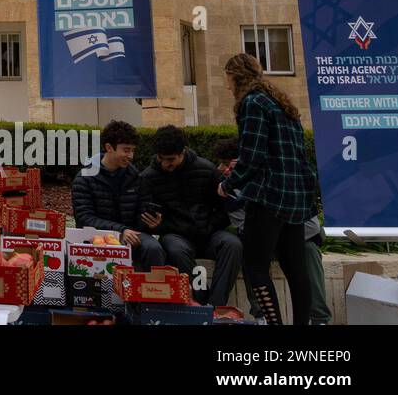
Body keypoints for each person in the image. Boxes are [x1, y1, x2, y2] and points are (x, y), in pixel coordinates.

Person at [217, 52, 317, 325]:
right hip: (295, 196)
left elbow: (252, 156)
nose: (226, 85)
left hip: (269, 196)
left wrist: (227, 185)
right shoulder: (281, 102)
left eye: (227, 78)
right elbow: (298, 153)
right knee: (296, 270)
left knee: (255, 267)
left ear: (234, 77)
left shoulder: (252, 103)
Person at [215, 136, 331, 324]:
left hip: (293, 240)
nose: (225, 170)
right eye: (223, 165)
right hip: (263, 241)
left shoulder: (284, 179)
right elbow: (242, 225)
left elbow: (311, 226)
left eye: (231, 165)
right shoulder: (229, 188)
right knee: (251, 254)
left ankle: (319, 318)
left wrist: (276, 231)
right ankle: (262, 316)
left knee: (309, 251)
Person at [138, 125, 242, 306]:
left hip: (209, 234)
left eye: (170, 159)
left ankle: (217, 306)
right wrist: (156, 225)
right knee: (175, 249)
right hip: (175, 236)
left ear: (183, 152)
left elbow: (225, 209)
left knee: (232, 245)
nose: (165, 164)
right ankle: (202, 304)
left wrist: (209, 226)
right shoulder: (148, 177)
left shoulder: (207, 169)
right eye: (161, 159)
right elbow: (145, 216)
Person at [71, 120, 165, 269]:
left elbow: (139, 219)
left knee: (153, 248)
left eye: (133, 150)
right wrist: (120, 231)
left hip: (131, 236)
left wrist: (151, 224)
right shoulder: (84, 179)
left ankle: (154, 290)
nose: (131, 155)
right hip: (96, 236)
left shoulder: (136, 178)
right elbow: (84, 219)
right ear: (109, 147)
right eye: (126, 150)